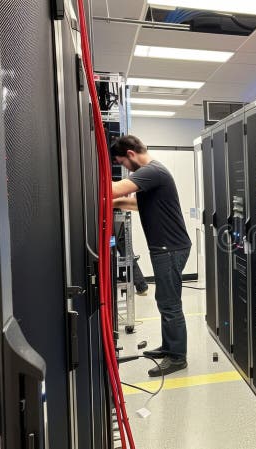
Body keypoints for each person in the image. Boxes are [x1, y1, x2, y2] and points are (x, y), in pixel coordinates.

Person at [111, 135, 191, 376]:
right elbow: (134, 204)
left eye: (122, 162)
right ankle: (169, 347)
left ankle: (178, 357)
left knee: (170, 303)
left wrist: (97, 186)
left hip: (170, 248)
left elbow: (115, 189)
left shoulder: (152, 171)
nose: (124, 168)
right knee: (164, 301)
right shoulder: (152, 175)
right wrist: (113, 202)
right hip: (166, 247)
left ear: (131, 155)